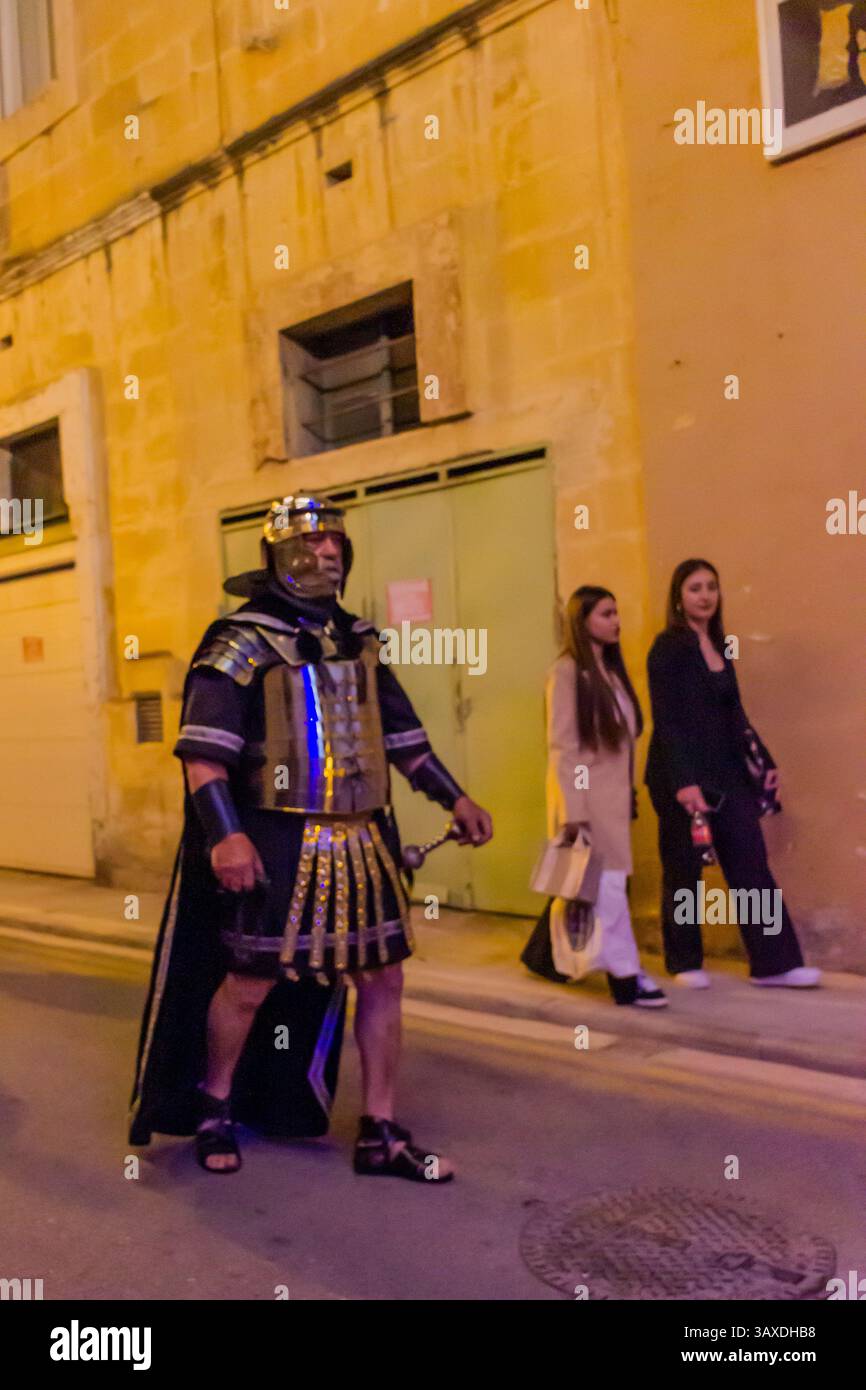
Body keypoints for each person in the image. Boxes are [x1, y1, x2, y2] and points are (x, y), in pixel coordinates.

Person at [129, 493, 493, 1180]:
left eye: (336, 544)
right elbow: (206, 755)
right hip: (274, 839)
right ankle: (213, 1105)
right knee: (249, 983)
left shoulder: (358, 640)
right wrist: (225, 838)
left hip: (362, 841)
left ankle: (380, 1129)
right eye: (314, 543)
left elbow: (404, 739)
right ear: (277, 557)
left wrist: (456, 796)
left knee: (383, 978)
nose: (328, 553)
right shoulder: (238, 642)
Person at [645, 558, 821, 990]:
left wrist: (765, 761)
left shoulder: (721, 645)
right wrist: (684, 781)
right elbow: (667, 720)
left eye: (711, 587)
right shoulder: (668, 647)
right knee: (684, 870)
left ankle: (775, 964)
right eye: (695, 588)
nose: (705, 595)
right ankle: (684, 962)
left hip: (727, 771)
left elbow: (734, 714)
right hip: (679, 774)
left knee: (750, 864)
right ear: (679, 598)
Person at [521, 586, 667, 1007]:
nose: (616, 621)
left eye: (617, 612)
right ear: (582, 620)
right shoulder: (566, 673)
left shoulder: (610, 671)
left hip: (613, 801)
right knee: (607, 890)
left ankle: (545, 958)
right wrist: (573, 809)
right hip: (588, 802)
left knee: (593, 888)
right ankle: (626, 975)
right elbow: (563, 747)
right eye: (606, 614)